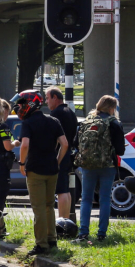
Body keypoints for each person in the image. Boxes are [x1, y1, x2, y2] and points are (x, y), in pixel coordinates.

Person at [14, 89, 66, 255]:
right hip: (52, 169)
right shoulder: (53, 121)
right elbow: (64, 144)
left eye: (21, 104)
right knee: (49, 205)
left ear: (30, 104)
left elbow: (25, 145)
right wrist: (57, 161)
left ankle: (41, 245)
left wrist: (22, 163)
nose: (19, 107)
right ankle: (52, 240)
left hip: (35, 169)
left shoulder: (28, 123)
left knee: (39, 208)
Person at [76, 95, 127, 242]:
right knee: (105, 199)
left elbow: (76, 143)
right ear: (112, 108)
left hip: (88, 165)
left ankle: (83, 233)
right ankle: (101, 234)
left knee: (86, 199)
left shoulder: (86, 121)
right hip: (107, 165)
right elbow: (120, 150)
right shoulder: (114, 123)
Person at [45, 87, 78, 221]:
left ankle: (62, 222)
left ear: (55, 97)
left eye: (47, 98)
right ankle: (67, 220)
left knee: (61, 190)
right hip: (69, 154)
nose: (46, 102)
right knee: (66, 189)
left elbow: (54, 138)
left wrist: (56, 160)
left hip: (60, 154)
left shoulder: (56, 114)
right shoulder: (70, 112)